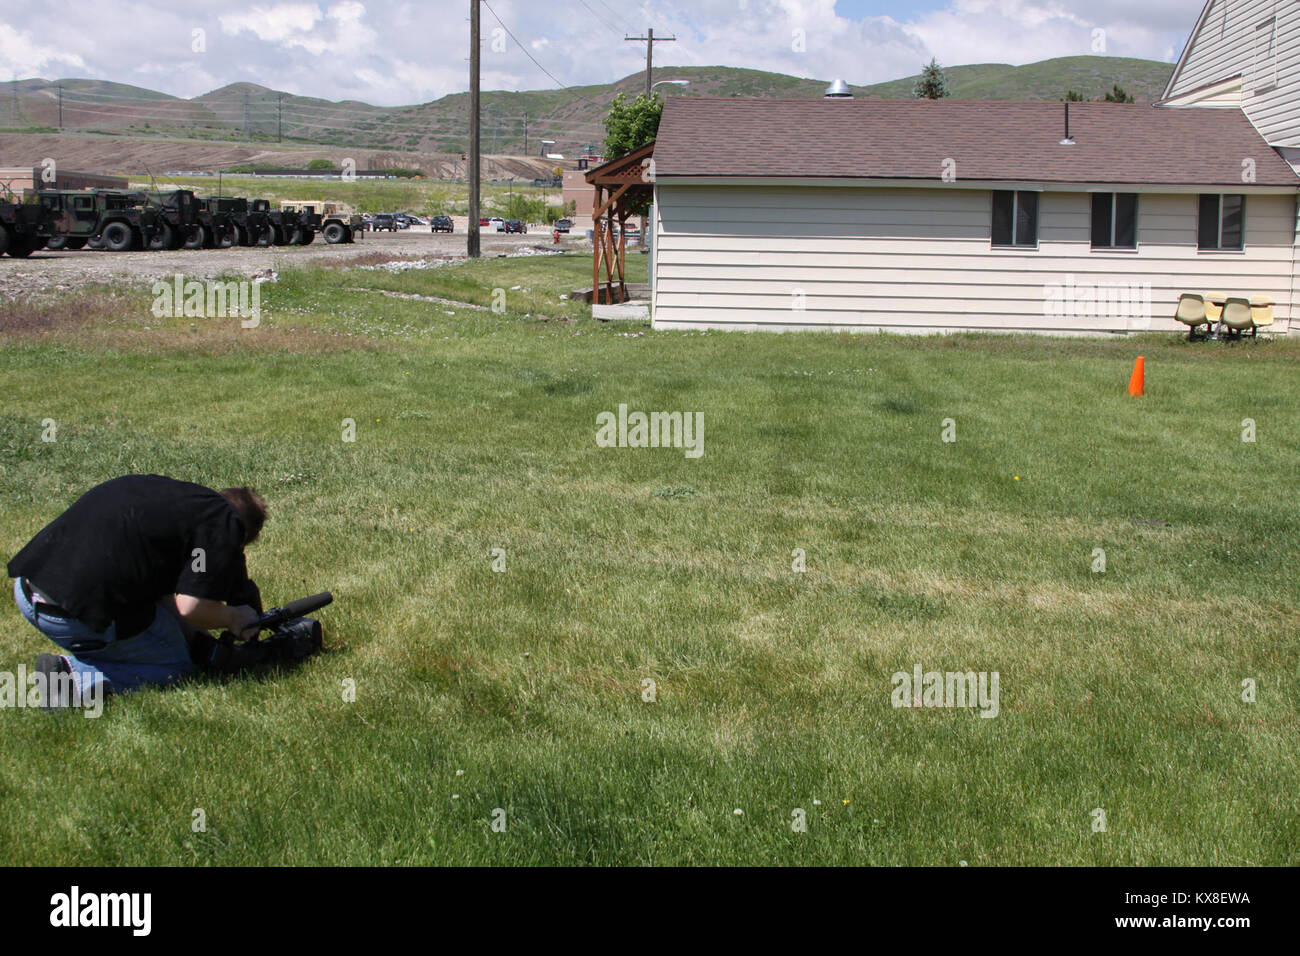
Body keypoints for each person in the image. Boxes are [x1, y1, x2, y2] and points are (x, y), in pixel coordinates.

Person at [7, 475, 267, 706]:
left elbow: (165, 599)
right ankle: (72, 678)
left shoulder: (174, 498)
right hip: (71, 615)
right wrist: (235, 617)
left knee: (171, 639)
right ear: (241, 536)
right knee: (175, 666)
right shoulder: (225, 521)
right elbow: (190, 607)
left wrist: (195, 638)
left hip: (29, 589)